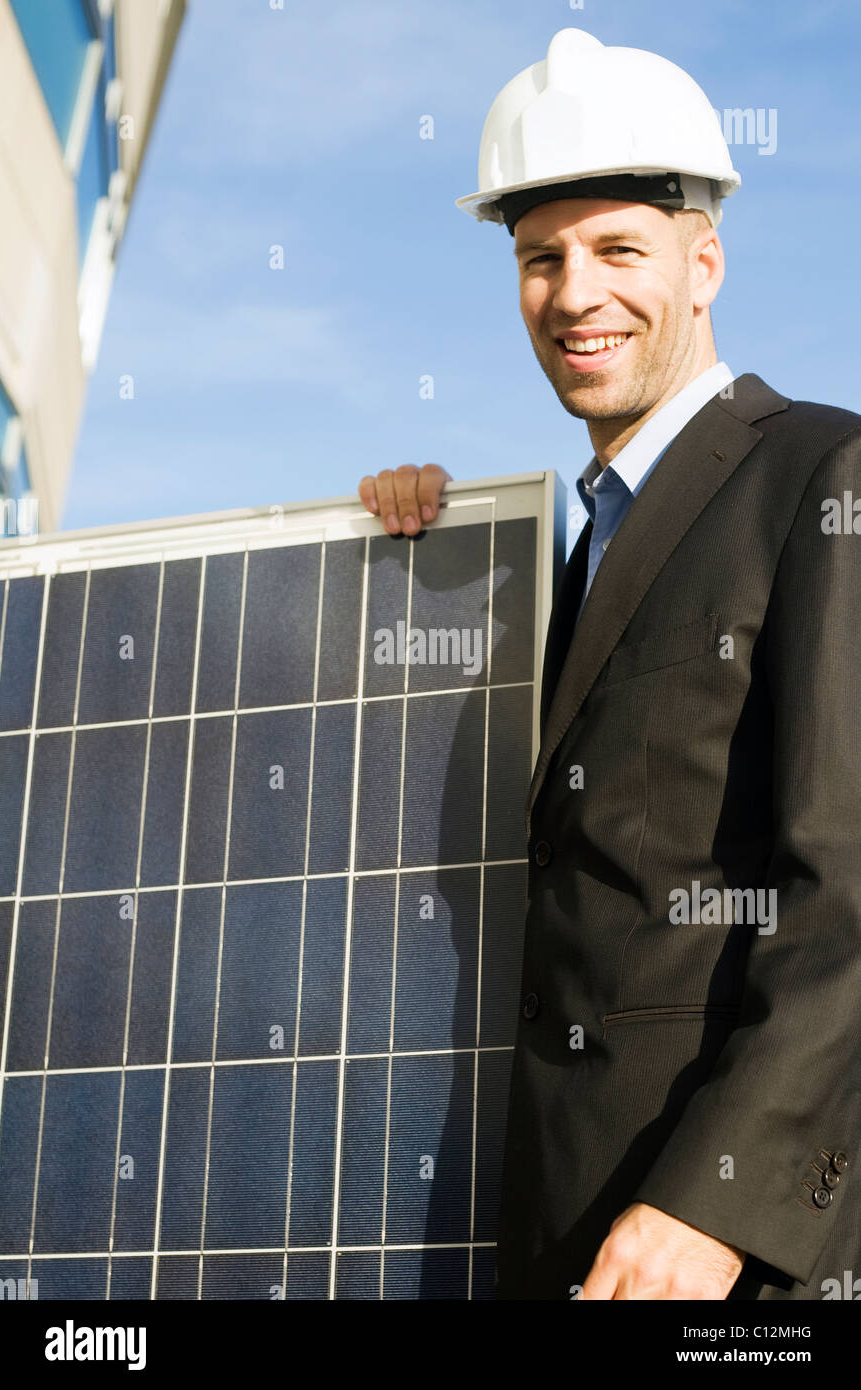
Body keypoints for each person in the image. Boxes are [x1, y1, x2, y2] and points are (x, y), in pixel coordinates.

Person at [358, 28, 861, 1301]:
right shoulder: (571, 549)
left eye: (616, 250)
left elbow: (843, 891)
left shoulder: (819, 476)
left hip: (720, 1259)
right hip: (560, 1233)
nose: (574, 293)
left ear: (703, 265)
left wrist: (715, 1201)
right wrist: (397, 545)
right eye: (541, 258)